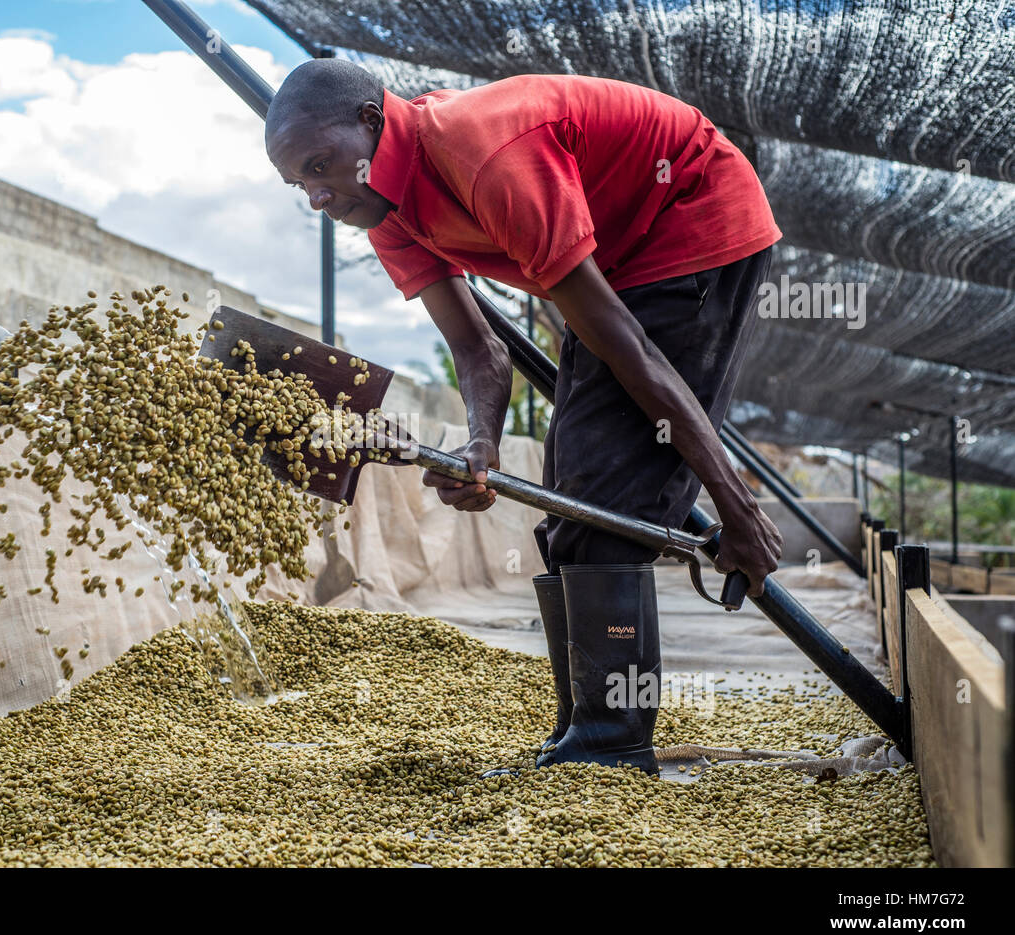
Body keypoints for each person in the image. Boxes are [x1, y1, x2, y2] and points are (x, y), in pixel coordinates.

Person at [265, 59, 783, 774]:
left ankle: (610, 747)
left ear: (370, 120)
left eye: (322, 166)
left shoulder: (484, 153)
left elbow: (626, 342)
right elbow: (479, 350)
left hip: (689, 214)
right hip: (616, 259)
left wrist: (736, 503)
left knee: (603, 508)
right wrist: (482, 447)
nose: (319, 196)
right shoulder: (385, 211)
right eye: (301, 185)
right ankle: (582, 727)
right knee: (570, 513)